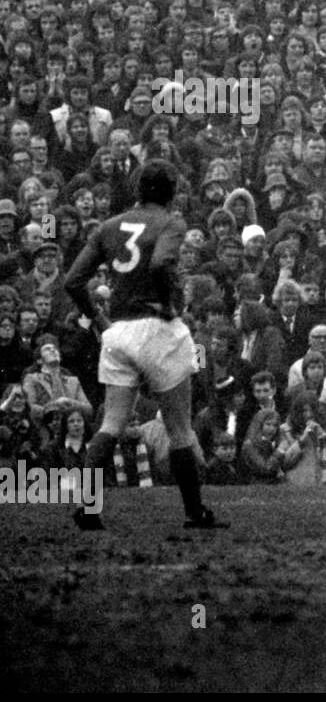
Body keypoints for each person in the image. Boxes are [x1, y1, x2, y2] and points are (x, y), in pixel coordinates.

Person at [63, 159, 227, 530]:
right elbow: (159, 264)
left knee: (112, 423)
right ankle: (194, 513)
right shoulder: (171, 221)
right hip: (157, 329)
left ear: (137, 190)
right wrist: (170, 304)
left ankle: (88, 507)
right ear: (170, 191)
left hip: (118, 331)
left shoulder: (107, 226)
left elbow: (73, 281)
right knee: (180, 428)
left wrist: (102, 321)